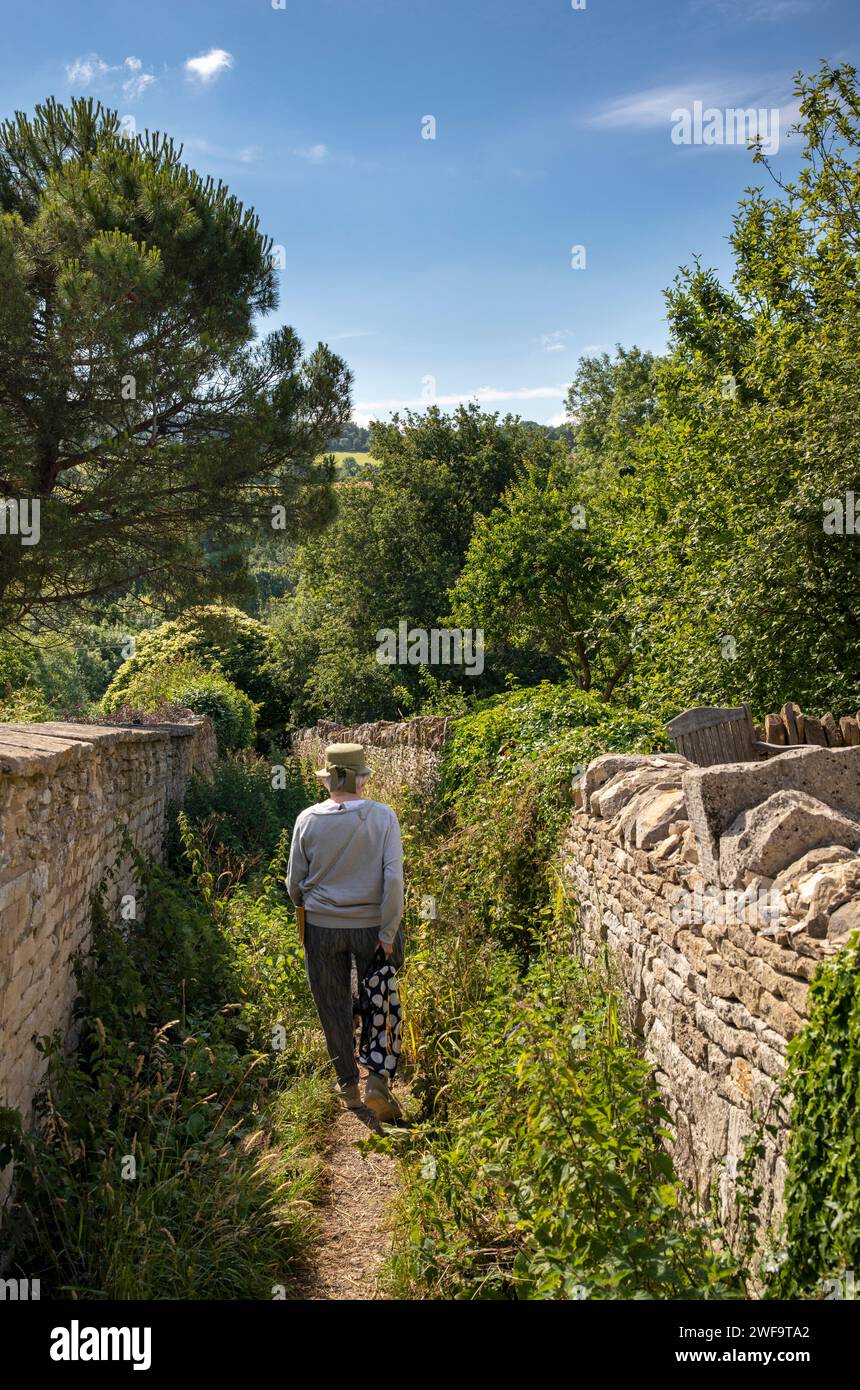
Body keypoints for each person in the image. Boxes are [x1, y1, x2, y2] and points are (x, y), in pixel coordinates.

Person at [286, 742, 404, 1121]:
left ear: (329, 779)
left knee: (332, 1004)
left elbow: (294, 884)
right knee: (379, 997)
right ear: (361, 779)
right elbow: (394, 880)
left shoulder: (307, 819)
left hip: (321, 928)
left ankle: (348, 1086)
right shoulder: (384, 817)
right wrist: (387, 933)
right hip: (372, 927)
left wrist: (318, 907)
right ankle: (377, 1079)